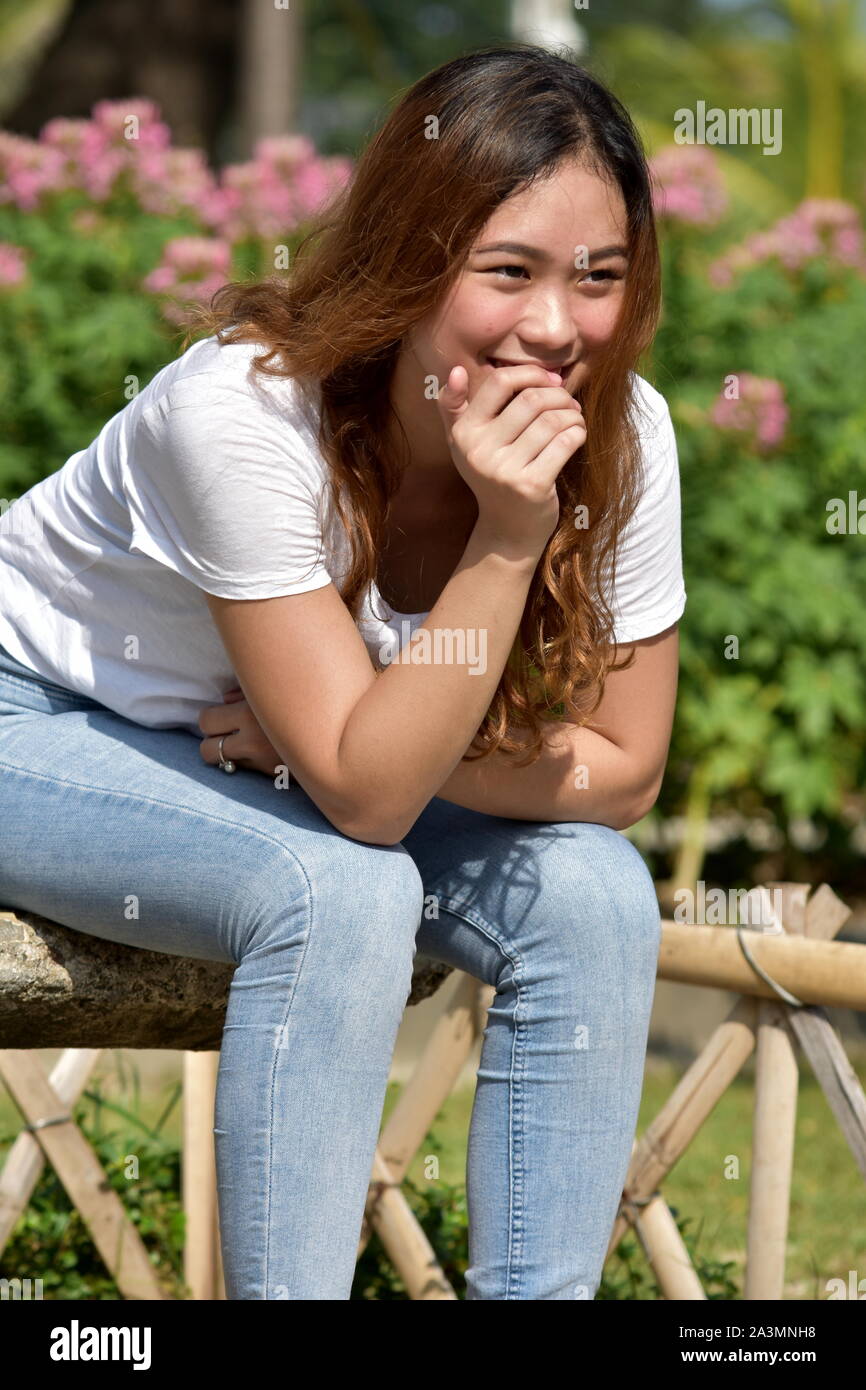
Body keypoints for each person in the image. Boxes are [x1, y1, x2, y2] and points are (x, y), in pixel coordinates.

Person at [0, 44, 685, 1300]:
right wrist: (503, 543)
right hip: (31, 717)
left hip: (264, 753)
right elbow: (367, 802)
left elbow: (624, 766)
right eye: (507, 272)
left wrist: (361, 735)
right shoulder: (247, 412)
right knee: (340, 891)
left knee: (592, 889)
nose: (555, 326)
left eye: (597, 277)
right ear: (411, 261)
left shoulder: (622, 432)